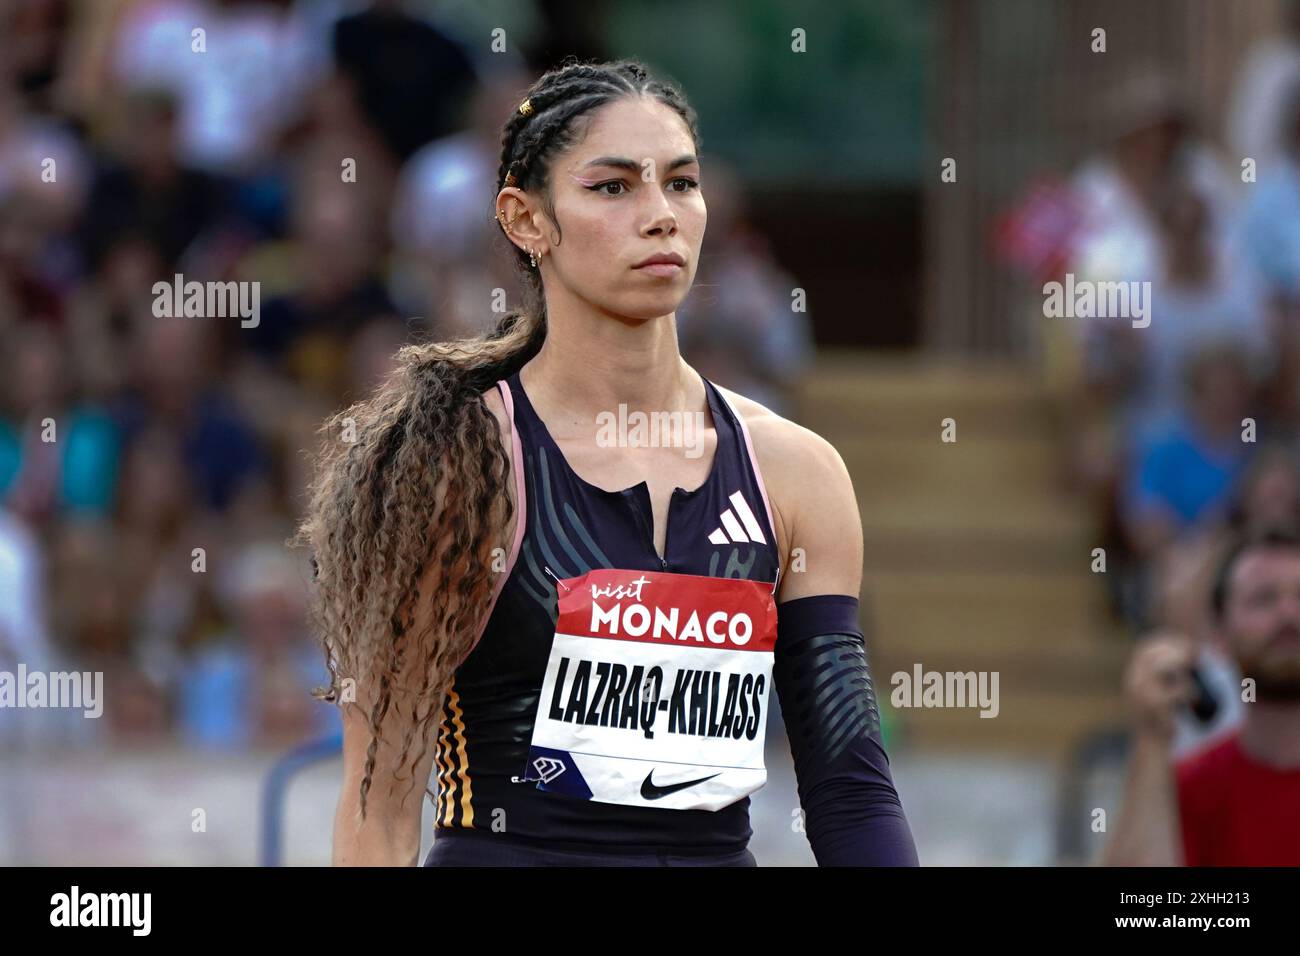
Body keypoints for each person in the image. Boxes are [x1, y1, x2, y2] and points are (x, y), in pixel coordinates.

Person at [299, 58, 918, 867]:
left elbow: (850, 790)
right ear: (526, 220)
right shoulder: (454, 463)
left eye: (682, 183)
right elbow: (377, 811)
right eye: (614, 187)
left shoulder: (797, 472)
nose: (661, 215)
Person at [1104, 527, 1300, 866]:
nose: (1289, 615)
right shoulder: (1191, 788)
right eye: (1263, 599)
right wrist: (1152, 737)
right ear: (1219, 637)